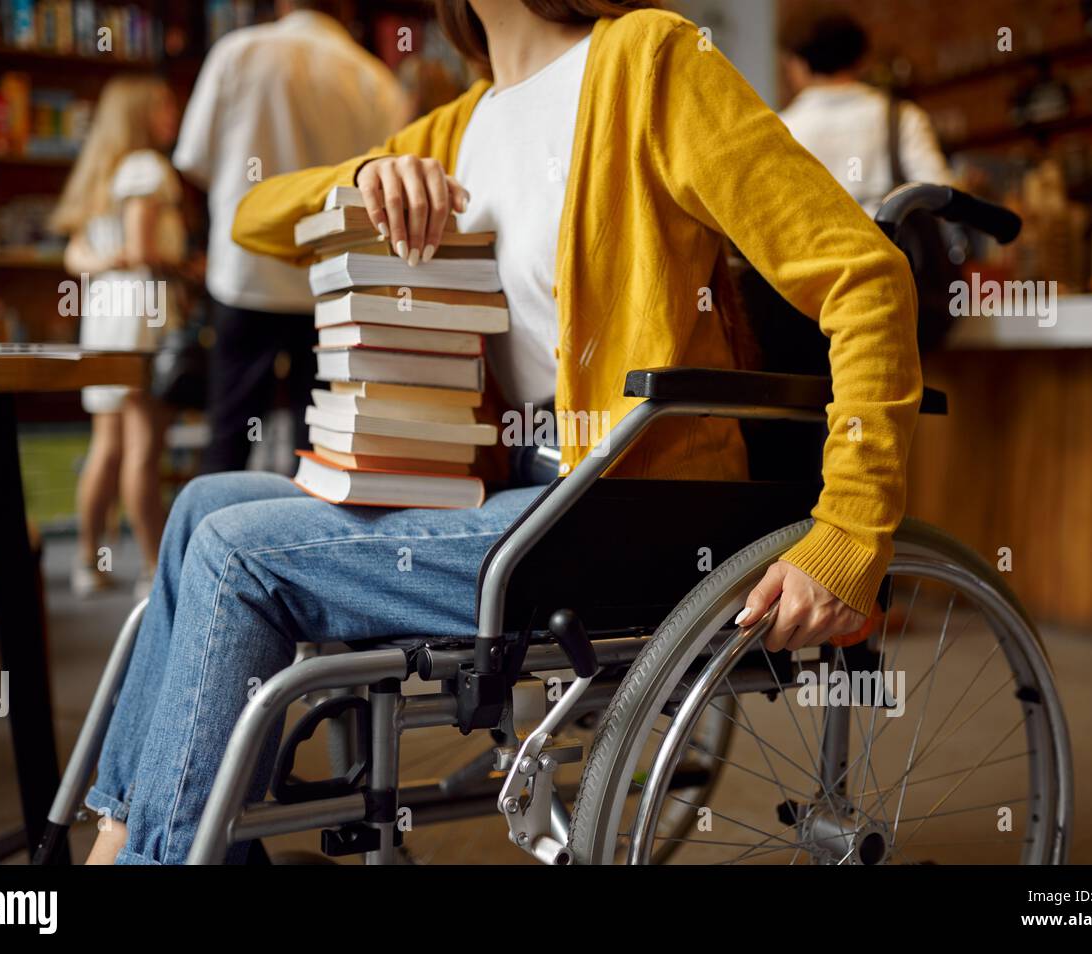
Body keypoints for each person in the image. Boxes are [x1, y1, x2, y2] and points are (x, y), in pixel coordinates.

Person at [84, 0, 922, 865]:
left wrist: (851, 529)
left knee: (239, 551)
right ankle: (128, 836)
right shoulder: (462, 123)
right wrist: (369, 173)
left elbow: (866, 276)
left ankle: (151, 857)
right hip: (509, 487)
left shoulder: (649, 59)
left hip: (622, 500)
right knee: (203, 506)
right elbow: (251, 216)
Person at [172, 0, 411, 474]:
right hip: (335, 284)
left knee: (230, 433)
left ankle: (213, 539)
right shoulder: (375, 78)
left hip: (246, 273)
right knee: (323, 440)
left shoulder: (238, 52)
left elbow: (193, 161)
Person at [48, 76, 185, 600]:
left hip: (104, 314)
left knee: (106, 443)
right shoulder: (147, 169)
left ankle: (88, 560)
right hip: (140, 316)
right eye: (165, 104)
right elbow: (143, 246)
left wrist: (109, 261)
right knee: (144, 447)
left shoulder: (100, 175)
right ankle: (153, 568)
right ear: (140, 114)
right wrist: (185, 263)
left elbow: (74, 256)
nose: (173, 113)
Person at [777, 7, 951, 215]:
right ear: (859, 57)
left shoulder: (781, 129)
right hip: (888, 244)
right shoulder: (901, 117)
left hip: (810, 245)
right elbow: (940, 197)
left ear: (799, 63)